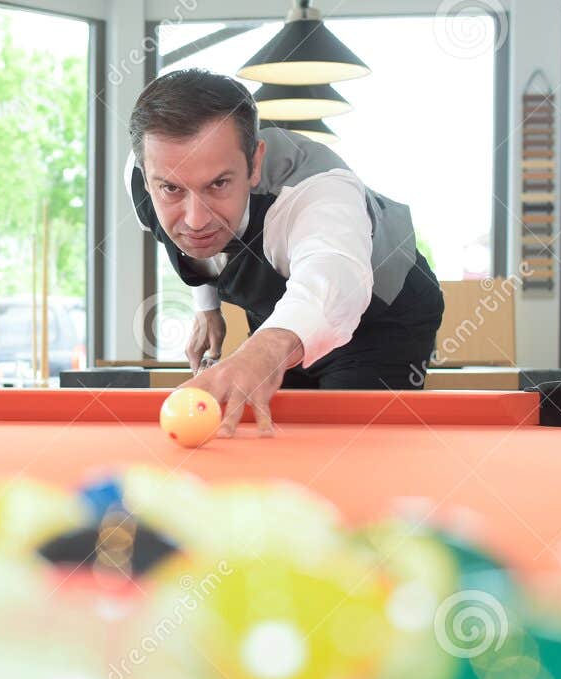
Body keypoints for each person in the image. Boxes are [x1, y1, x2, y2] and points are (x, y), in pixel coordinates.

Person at [127, 69, 445, 437]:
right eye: (170, 189)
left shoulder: (318, 192)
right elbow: (189, 241)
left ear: (255, 163)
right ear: (147, 175)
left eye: (219, 183)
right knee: (274, 437)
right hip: (278, 309)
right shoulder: (143, 170)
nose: (196, 220)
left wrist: (265, 348)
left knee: (345, 449)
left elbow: (333, 275)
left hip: (382, 315)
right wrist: (207, 307)